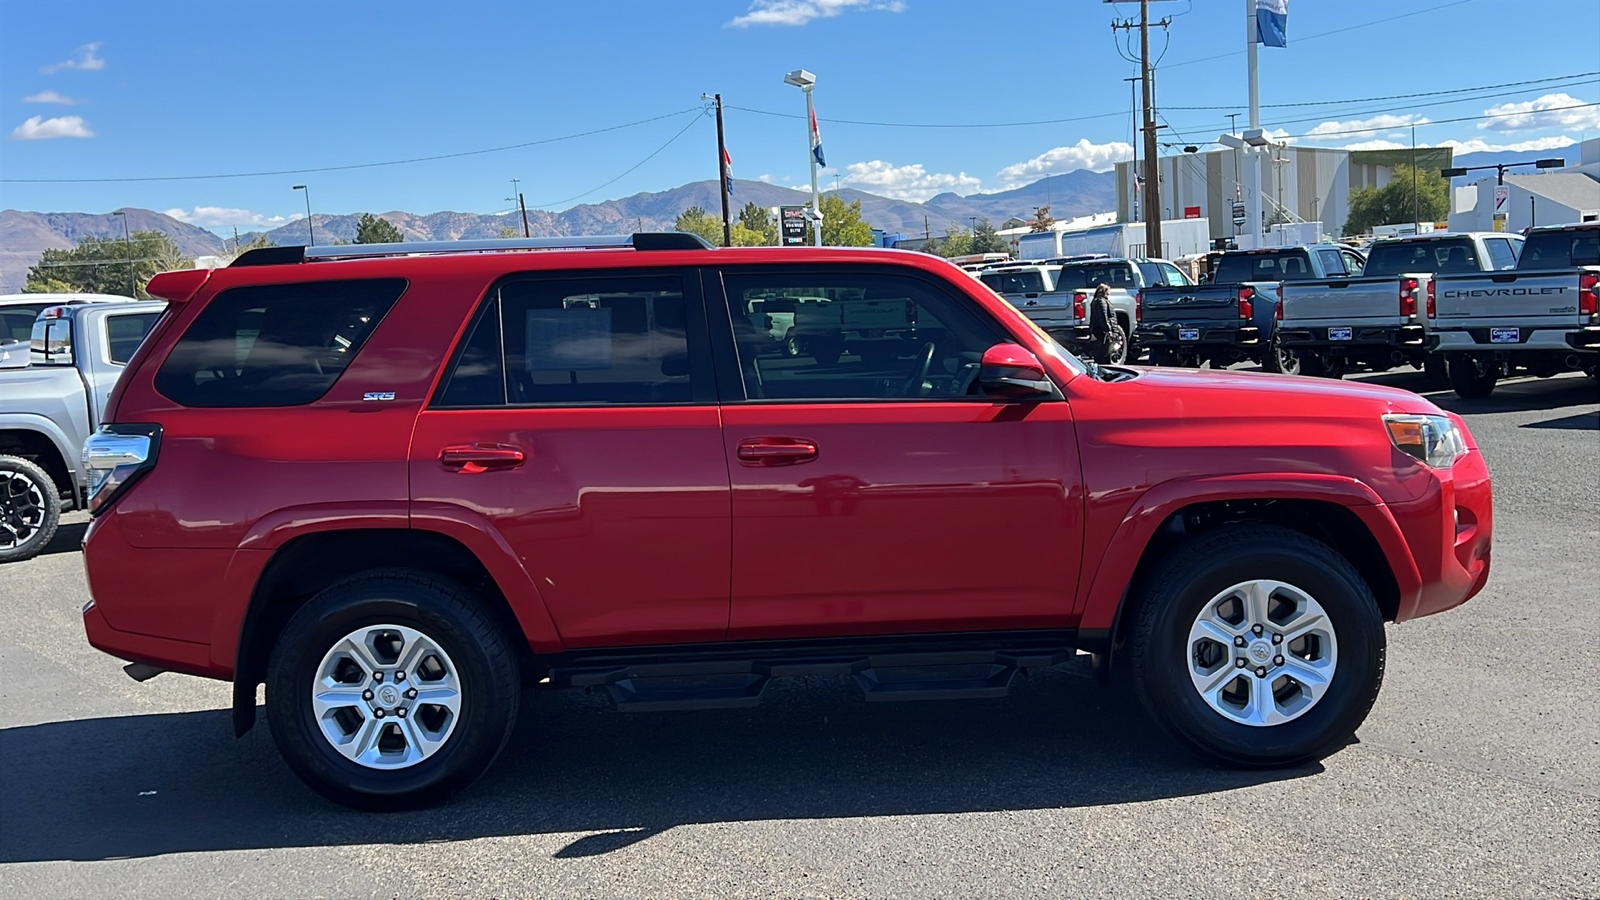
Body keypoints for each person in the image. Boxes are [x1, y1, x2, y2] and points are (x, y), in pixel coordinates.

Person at [1088, 283, 1115, 363]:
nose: (1109, 293)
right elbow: (1103, 316)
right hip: (1101, 329)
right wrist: (1108, 329)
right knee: (1104, 350)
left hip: (1097, 328)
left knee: (1100, 348)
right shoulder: (1101, 301)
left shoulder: (1095, 301)